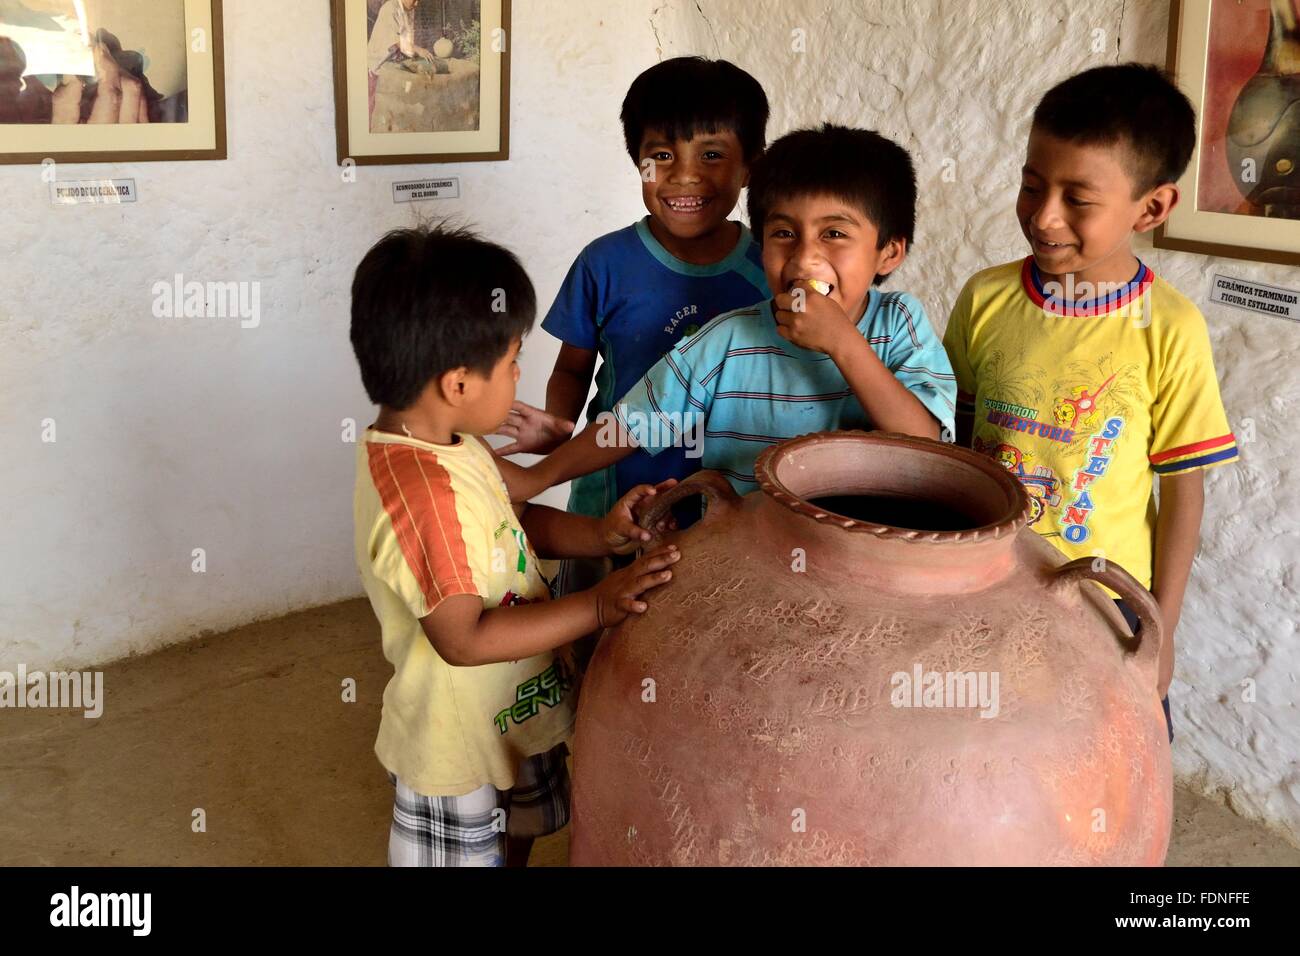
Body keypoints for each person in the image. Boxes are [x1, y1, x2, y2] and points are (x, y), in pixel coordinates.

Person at [349, 223, 681, 866]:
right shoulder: (423, 499)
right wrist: (596, 607)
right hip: (456, 738)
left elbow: (510, 515)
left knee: (517, 826)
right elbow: (463, 638)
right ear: (458, 384)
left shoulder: (448, 443)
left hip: (511, 698)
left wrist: (599, 535)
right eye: (511, 362)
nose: (520, 373)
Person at [942, 64, 1240, 742]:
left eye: (1078, 198)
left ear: (1152, 207)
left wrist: (1159, 629)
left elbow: (1182, 494)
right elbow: (950, 441)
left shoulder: (1171, 329)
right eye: (1031, 185)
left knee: (1113, 763)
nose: (1043, 217)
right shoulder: (985, 299)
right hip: (984, 588)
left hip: (1106, 611)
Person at [507, 124, 955, 500]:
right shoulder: (728, 338)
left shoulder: (899, 322)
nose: (804, 259)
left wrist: (842, 342)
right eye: (784, 233)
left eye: (834, 233)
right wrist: (536, 479)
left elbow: (924, 447)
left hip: (866, 559)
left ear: (889, 253)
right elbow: (632, 425)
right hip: (745, 559)